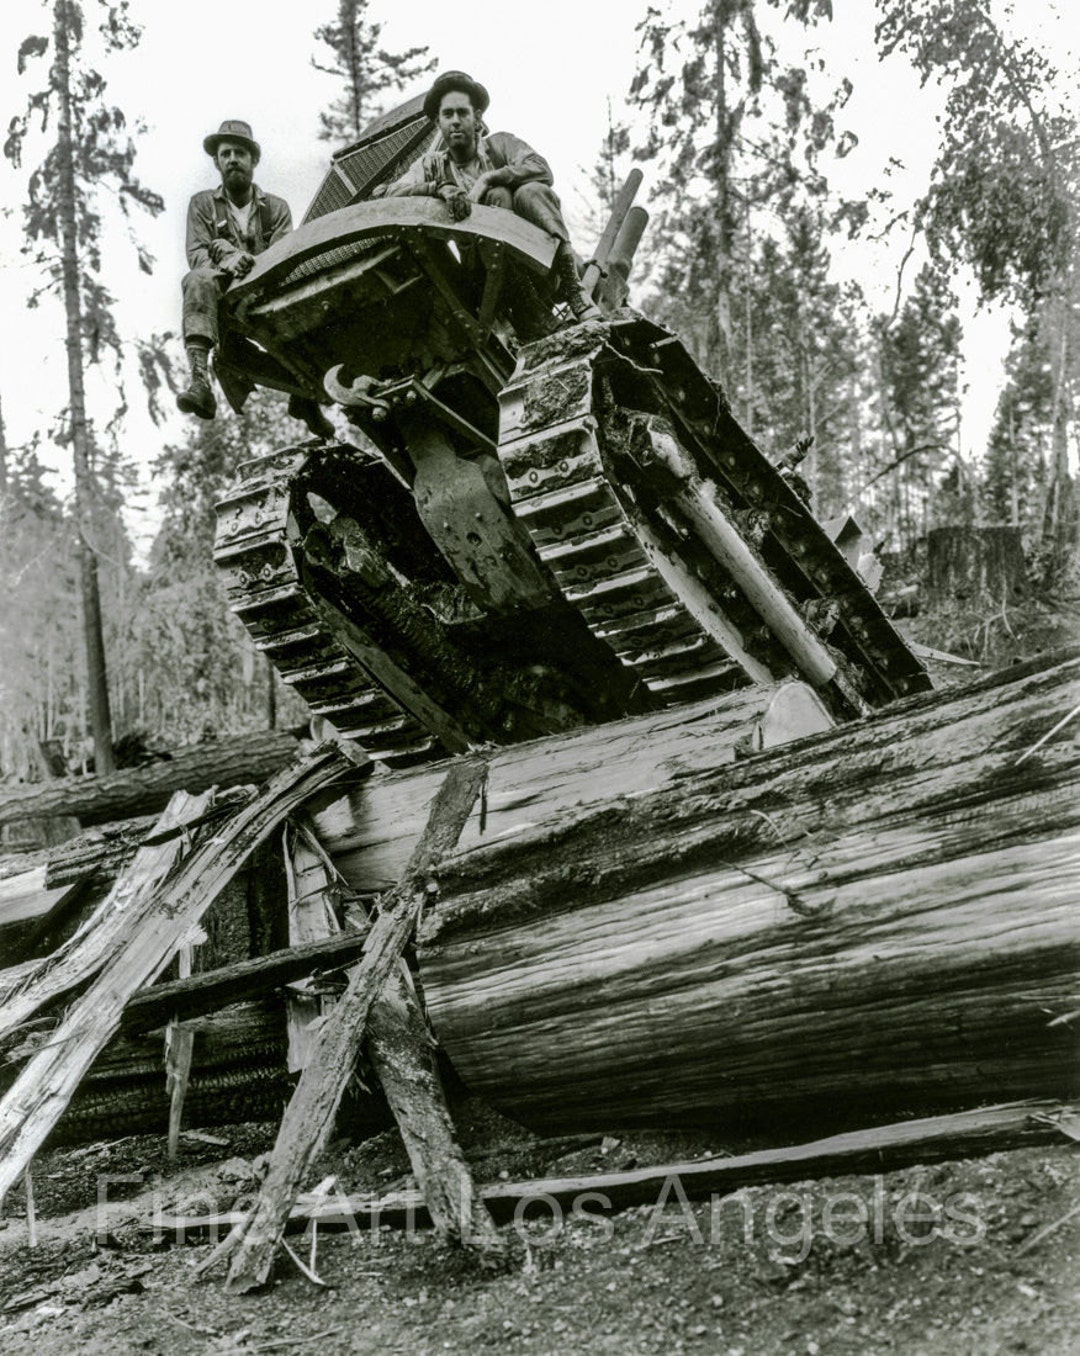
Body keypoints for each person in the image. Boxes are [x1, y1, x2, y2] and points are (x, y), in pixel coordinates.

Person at [382, 70, 602, 322]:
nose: (455, 121)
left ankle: (575, 290)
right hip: (487, 277)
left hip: (544, 263)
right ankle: (530, 316)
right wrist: (438, 188)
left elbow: (541, 169)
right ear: (438, 123)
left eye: (462, 113)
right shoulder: (432, 166)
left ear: (476, 118)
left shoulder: (500, 145)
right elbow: (386, 194)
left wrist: (489, 178)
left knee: (531, 191)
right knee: (497, 198)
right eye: (447, 114)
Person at [177, 119, 292, 420]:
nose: (232, 160)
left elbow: (283, 258)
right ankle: (200, 383)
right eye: (225, 154)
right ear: (216, 162)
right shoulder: (202, 204)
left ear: (253, 160)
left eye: (240, 153)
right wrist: (224, 259)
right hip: (224, 293)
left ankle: (306, 399)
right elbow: (196, 254)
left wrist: (240, 257)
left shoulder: (276, 209)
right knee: (196, 280)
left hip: (266, 289)